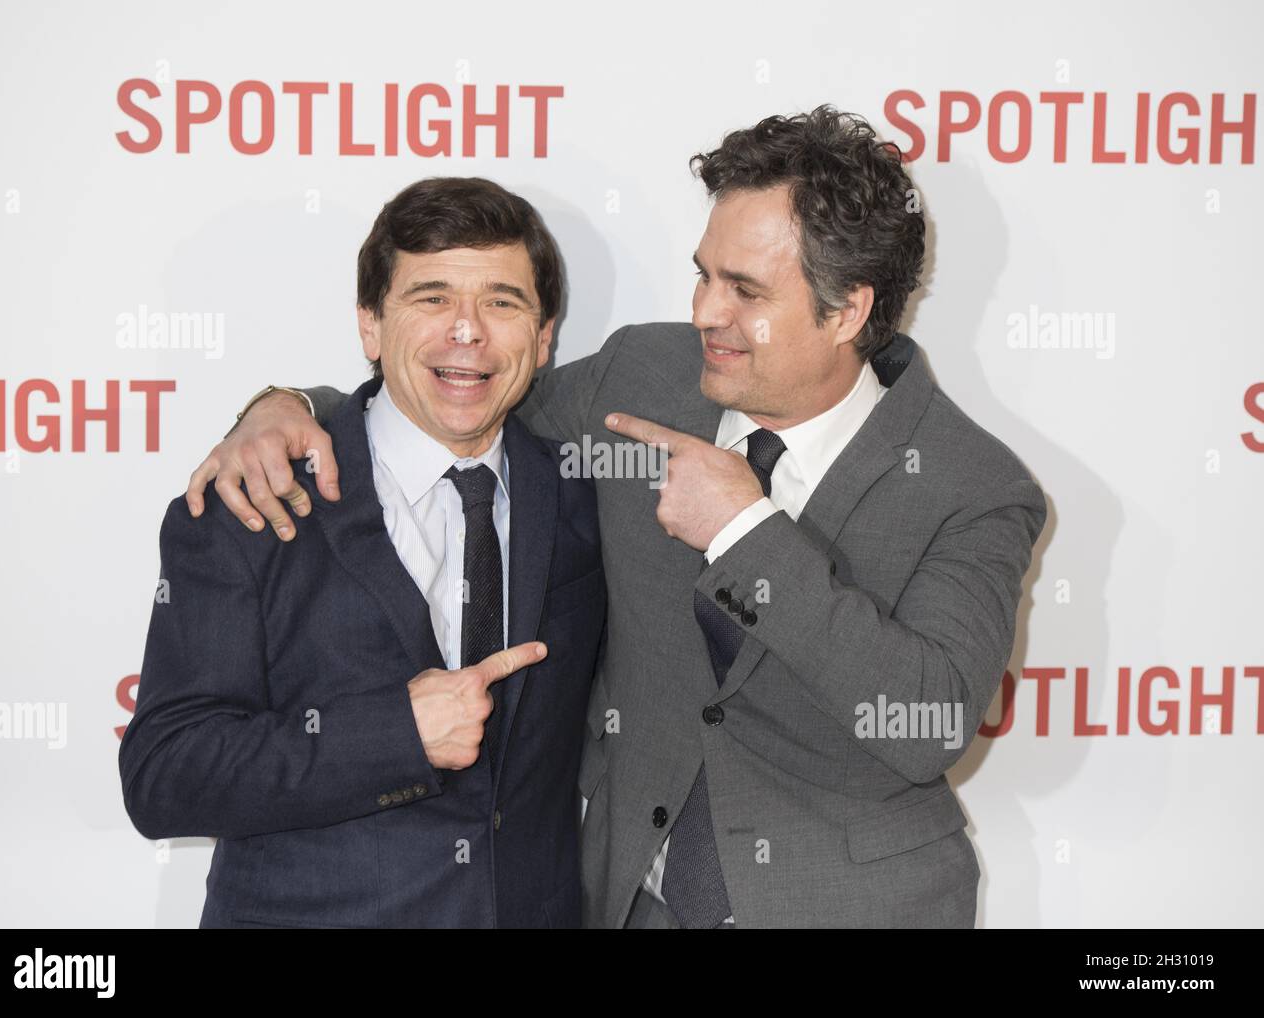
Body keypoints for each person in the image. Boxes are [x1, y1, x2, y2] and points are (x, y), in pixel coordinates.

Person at [187, 106, 1047, 928]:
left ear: (848, 310)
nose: (707, 311)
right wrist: (290, 406)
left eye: (744, 290)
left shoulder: (974, 488)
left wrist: (747, 535)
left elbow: (927, 725)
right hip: (626, 900)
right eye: (705, 274)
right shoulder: (646, 375)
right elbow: (467, 399)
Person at [119, 176, 606, 928]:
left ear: (543, 340)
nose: (467, 331)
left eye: (503, 303)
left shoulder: (584, 494)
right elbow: (165, 775)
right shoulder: (253, 498)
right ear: (371, 326)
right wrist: (396, 737)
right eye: (431, 298)